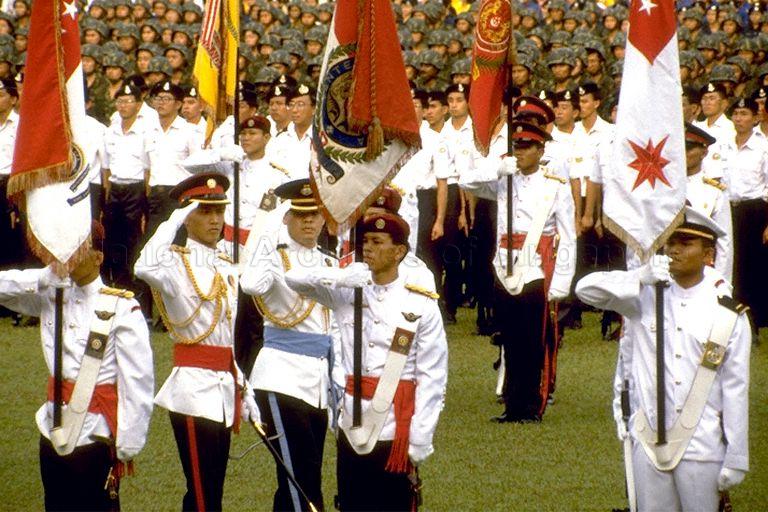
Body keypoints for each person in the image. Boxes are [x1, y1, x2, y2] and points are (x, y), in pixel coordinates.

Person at [576, 208, 750, 511]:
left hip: (701, 444)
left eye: (686, 243)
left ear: (709, 254)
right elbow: (585, 290)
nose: (674, 250)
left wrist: (736, 457)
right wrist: (638, 278)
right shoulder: (644, 296)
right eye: (670, 242)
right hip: (648, 438)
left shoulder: (726, 312)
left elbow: (736, 389)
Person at [285, 211, 448, 512]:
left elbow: (433, 376)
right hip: (352, 421)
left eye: (377, 241)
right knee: (351, 503)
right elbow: (292, 279)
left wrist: (419, 439)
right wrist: (339, 275)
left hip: (393, 426)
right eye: (365, 241)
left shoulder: (420, 304)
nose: (368, 248)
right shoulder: (348, 291)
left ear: (399, 252)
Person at [0, 221, 154, 511]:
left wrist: (127, 445)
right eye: (65, 250)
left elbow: (138, 383)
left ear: (98, 257)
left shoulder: (122, 308)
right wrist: (44, 277)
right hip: (51, 427)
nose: (68, 257)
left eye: (79, 250)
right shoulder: (51, 293)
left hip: (93, 436)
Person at [134, 172, 259, 512]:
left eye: (219, 212)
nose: (215, 220)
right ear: (188, 216)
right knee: (203, 496)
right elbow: (144, 266)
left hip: (222, 389)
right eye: (205, 211)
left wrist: (243, 386)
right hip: (191, 391)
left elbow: (227, 338)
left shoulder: (226, 265)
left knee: (211, 492)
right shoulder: (174, 262)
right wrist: (173, 217)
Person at [240, 178, 335, 512]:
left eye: (314, 214)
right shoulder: (276, 258)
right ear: (287, 217)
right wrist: (267, 227)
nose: (308, 221)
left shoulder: (329, 262)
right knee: (302, 483)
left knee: (298, 478)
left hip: (318, 382)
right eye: (299, 214)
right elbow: (250, 284)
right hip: (282, 377)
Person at [491, 121, 576, 423]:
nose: (521, 151)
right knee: (510, 340)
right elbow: (468, 182)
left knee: (531, 340)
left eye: (528, 146)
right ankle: (511, 405)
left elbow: (567, 234)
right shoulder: (504, 178)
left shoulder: (555, 184)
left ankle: (530, 405)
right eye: (517, 146)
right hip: (504, 265)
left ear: (541, 150)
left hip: (535, 268)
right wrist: (498, 169)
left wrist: (562, 281)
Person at [683, 122, 733, 281]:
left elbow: (724, 241)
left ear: (704, 151)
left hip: (701, 270)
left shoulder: (714, 191)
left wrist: (721, 284)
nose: (683, 154)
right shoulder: (662, 187)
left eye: (689, 148)